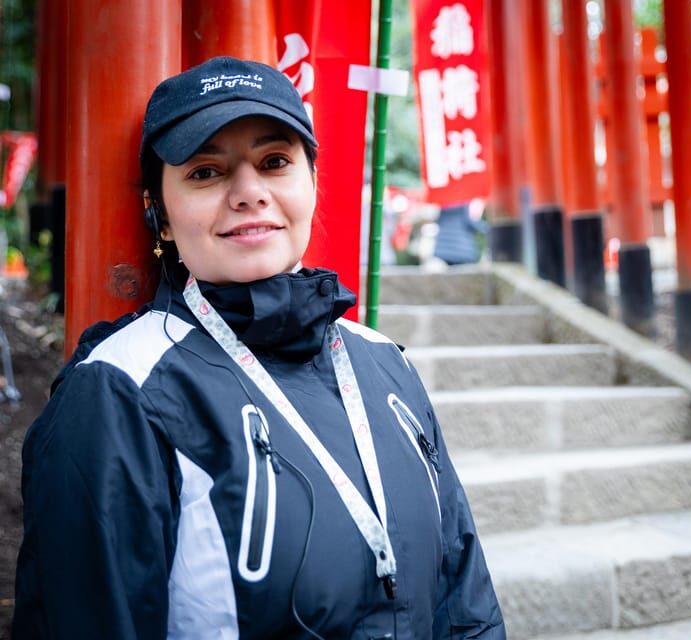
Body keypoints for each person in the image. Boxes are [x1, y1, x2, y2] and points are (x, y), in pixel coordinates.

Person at [13, 56, 505, 639]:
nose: (249, 193)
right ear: (160, 215)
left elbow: (466, 605)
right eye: (205, 172)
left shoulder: (382, 362)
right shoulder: (119, 391)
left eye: (275, 163)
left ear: (313, 183)